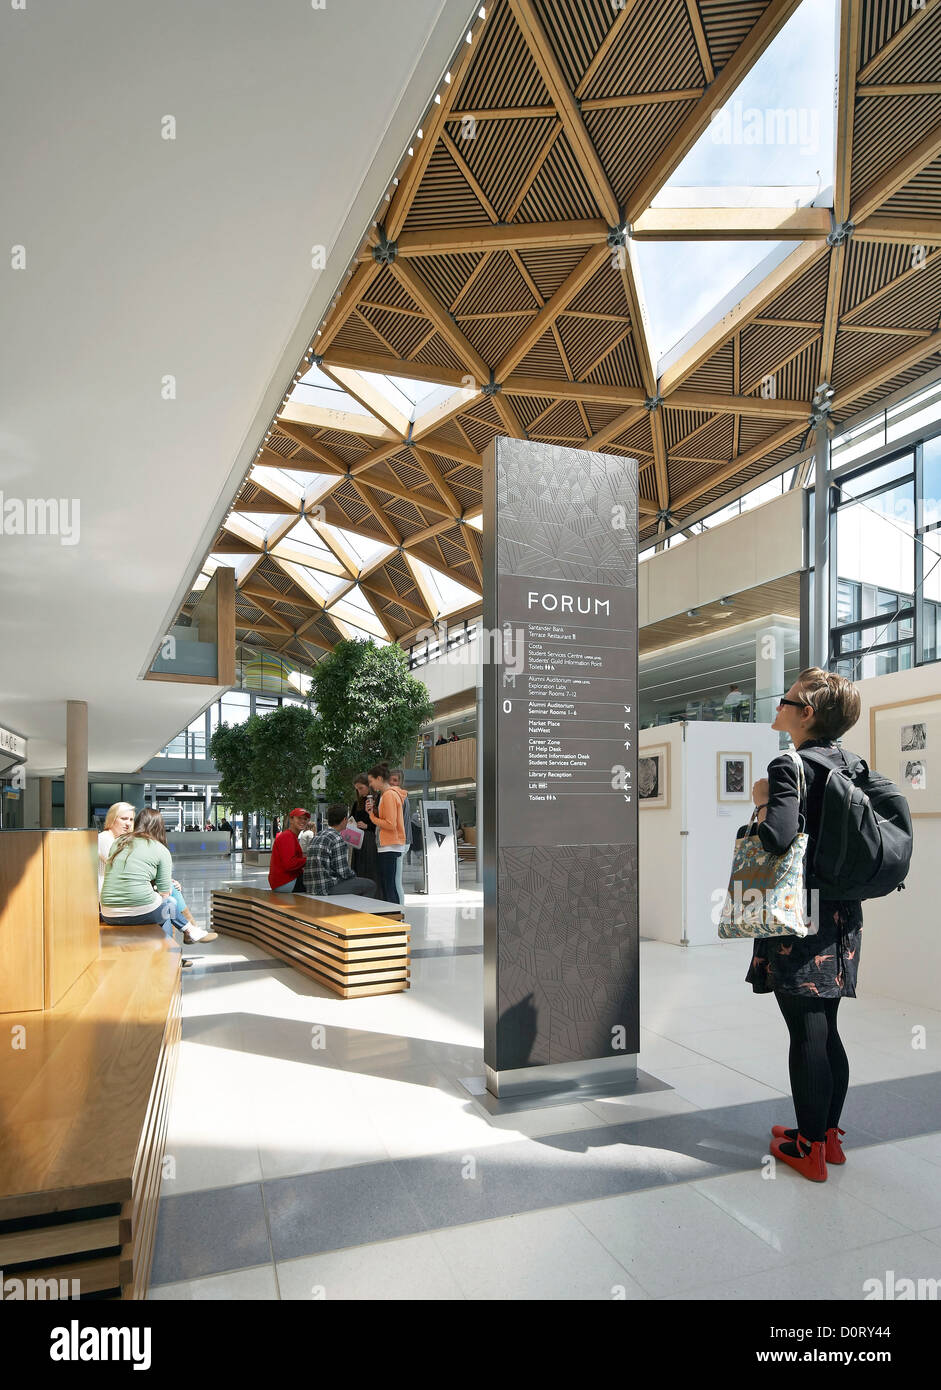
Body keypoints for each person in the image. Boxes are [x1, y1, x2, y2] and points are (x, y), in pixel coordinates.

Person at [744, 667, 863, 1183]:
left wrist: (762, 798)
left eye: (786, 698)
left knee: (805, 1032)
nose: (780, 703)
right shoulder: (851, 763)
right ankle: (828, 1136)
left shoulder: (789, 763)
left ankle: (808, 1146)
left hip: (797, 917)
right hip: (842, 914)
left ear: (806, 713)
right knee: (827, 1026)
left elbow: (777, 837)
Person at [98, 802, 214, 943]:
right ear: (160, 828)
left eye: (131, 819)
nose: (128, 824)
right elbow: (165, 894)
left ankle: (187, 934)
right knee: (169, 904)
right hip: (136, 911)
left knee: (164, 908)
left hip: (108, 913)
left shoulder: (118, 842)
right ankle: (185, 936)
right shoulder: (160, 850)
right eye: (124, 819)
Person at [303, 804, 380, 898]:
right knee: (370, 885)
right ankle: (361, 912)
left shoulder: (318, 835)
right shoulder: (337, 838)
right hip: (326, 887)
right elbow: (343, 872)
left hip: (311, 886)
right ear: (344, 820)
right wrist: (354, 876)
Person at [366, 763, 406, 904]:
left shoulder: (389, 795)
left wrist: (372, 817)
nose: (371, 785)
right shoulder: (387, 795)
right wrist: (374, 813)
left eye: (371, 781)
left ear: (379, 778)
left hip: (390, 845)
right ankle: (394, 917)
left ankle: (395, 918)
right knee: (388, 884)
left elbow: (390, 823)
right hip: (389, 844)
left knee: (389, 885)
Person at [350, 776, 380, 894]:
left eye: (361, 788)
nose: (359, 791)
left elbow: (381, 822)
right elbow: (351, 818)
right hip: (357, 841)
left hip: (370, 841)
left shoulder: (377, 801)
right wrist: (352, 824)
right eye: (357, 789)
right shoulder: (356, 803)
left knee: (370, 869)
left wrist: (367, 826)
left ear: (369, 786)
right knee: (359, 869)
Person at [268, 808, 309, 893]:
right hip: (286, 882)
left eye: (305, 819)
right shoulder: (287, 836)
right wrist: (309, 859)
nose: (303, 821)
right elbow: (290, 864)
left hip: (285, 881)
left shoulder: (291, 836)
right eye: (299, 818)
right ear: (291, 819)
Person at [387, 768, 412, 903]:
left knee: (396, 881)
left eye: (395, 780)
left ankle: (400, 911)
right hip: (402, 841)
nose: (391, 782)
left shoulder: (397, 797)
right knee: (396, 879)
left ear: (400, 782)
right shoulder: (402, 796)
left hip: (399, 843)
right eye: (390, 779)